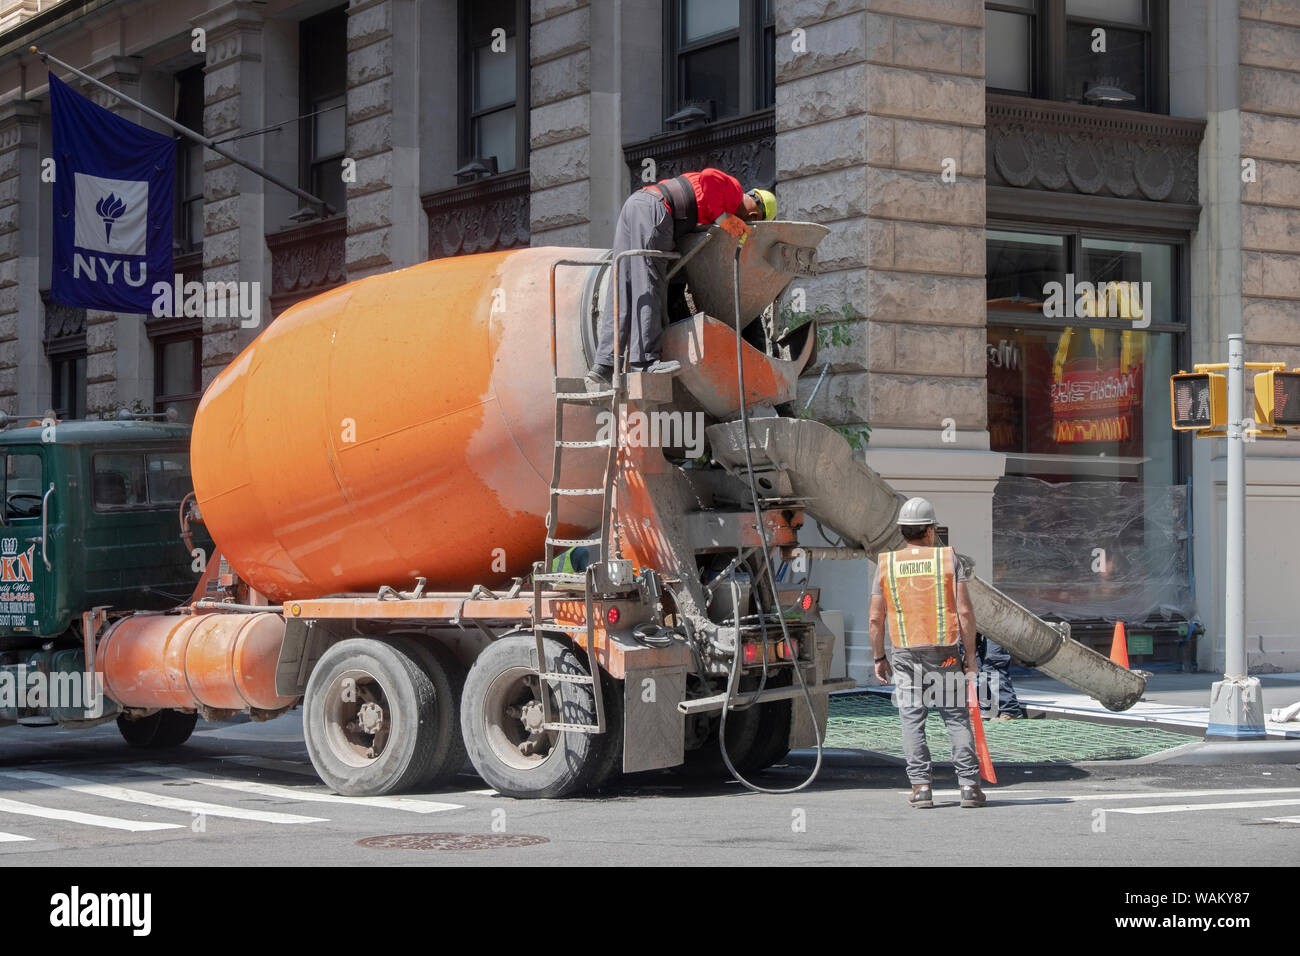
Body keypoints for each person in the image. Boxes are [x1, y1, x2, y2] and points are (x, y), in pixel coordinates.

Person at [585, 169, 777, 389]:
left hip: (635, 205)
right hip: (654, 210)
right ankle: (645, 362)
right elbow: (708, 177)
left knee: (621, 287)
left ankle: (603, 366)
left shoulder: (720, 203)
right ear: (754, 216)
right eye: (753, 221)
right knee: (648, 285)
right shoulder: (733, 190)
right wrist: (729, 222)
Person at [869, 497, 986, 809]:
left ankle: (921, 788)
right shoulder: (949, 560)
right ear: (930, 530)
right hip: (945, 651)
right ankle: (969, 788)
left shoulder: (886, 564)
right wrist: (970, 657)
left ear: (902, 531)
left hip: (905, 653)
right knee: (955, 717)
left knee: (911, 719)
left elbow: (875, 618)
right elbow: (964, 612)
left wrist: (880, 657)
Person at [977, 632, 1026, 719]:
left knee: (992, 664)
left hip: (995, 623)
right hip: (972, 622)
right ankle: (987, 709)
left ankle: (1010, 711)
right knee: (978, 665)